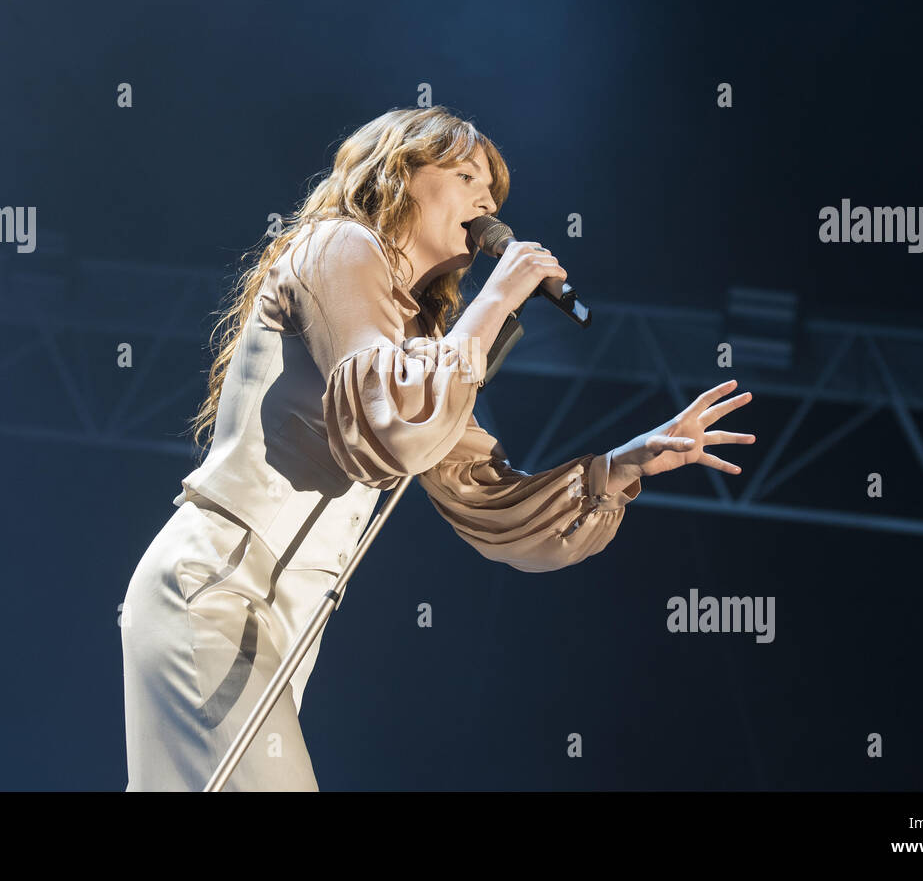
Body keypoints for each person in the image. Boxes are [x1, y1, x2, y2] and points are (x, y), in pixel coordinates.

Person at [120, 106, 755, 791]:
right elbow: (387, 421)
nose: (487, 201)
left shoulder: (423, 345)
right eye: (464, 175)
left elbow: (483, 496)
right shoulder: (339, 245)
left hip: (282, 620)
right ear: (397, 175)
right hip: (220, 583)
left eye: (494, 191)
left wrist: (619, 466)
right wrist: (498, 298)